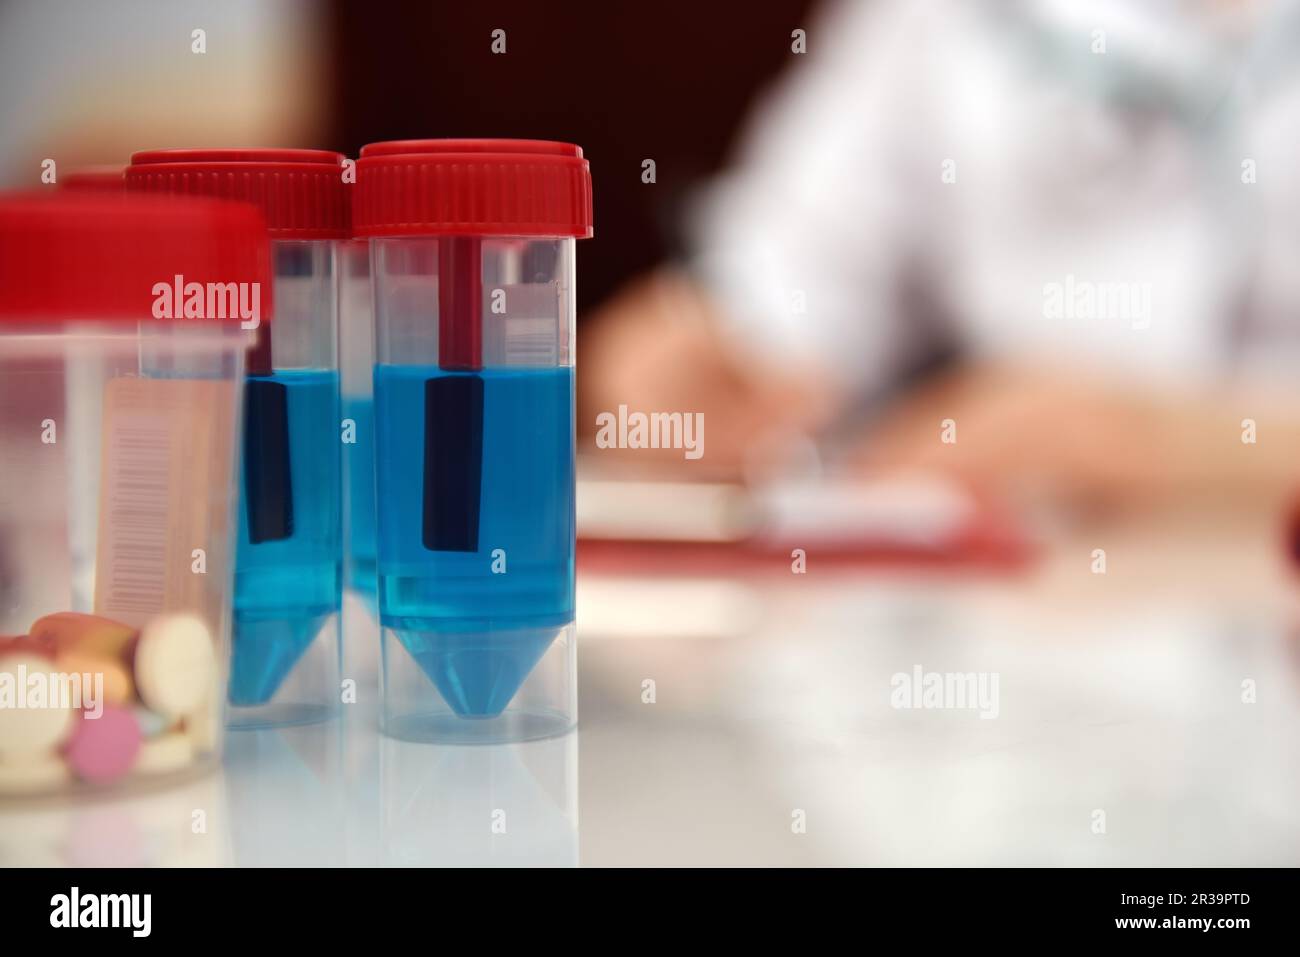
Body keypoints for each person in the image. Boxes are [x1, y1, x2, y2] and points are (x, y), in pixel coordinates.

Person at [580, 0, 1300, 507]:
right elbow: (792, 280)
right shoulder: (933, 19)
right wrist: (703, 359)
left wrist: (1180, 448)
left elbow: (1124, 444)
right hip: (1036, 619)